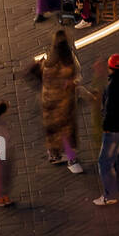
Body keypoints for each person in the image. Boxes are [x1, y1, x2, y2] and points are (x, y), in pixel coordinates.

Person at [37, 30, 85, 173]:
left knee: (52, 131)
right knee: (66, 132)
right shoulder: (68, 63)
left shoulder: (48, 61)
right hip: (64, 103)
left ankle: (54, 155)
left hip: (49, 102)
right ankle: (72, 160)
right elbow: (75, 77)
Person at [95, 54, 119, 205]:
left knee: (104, 162)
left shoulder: (111, 86)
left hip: (114, 129)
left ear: (110, 67)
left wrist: (105, 128)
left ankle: (109, 195)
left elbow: (109, 110)